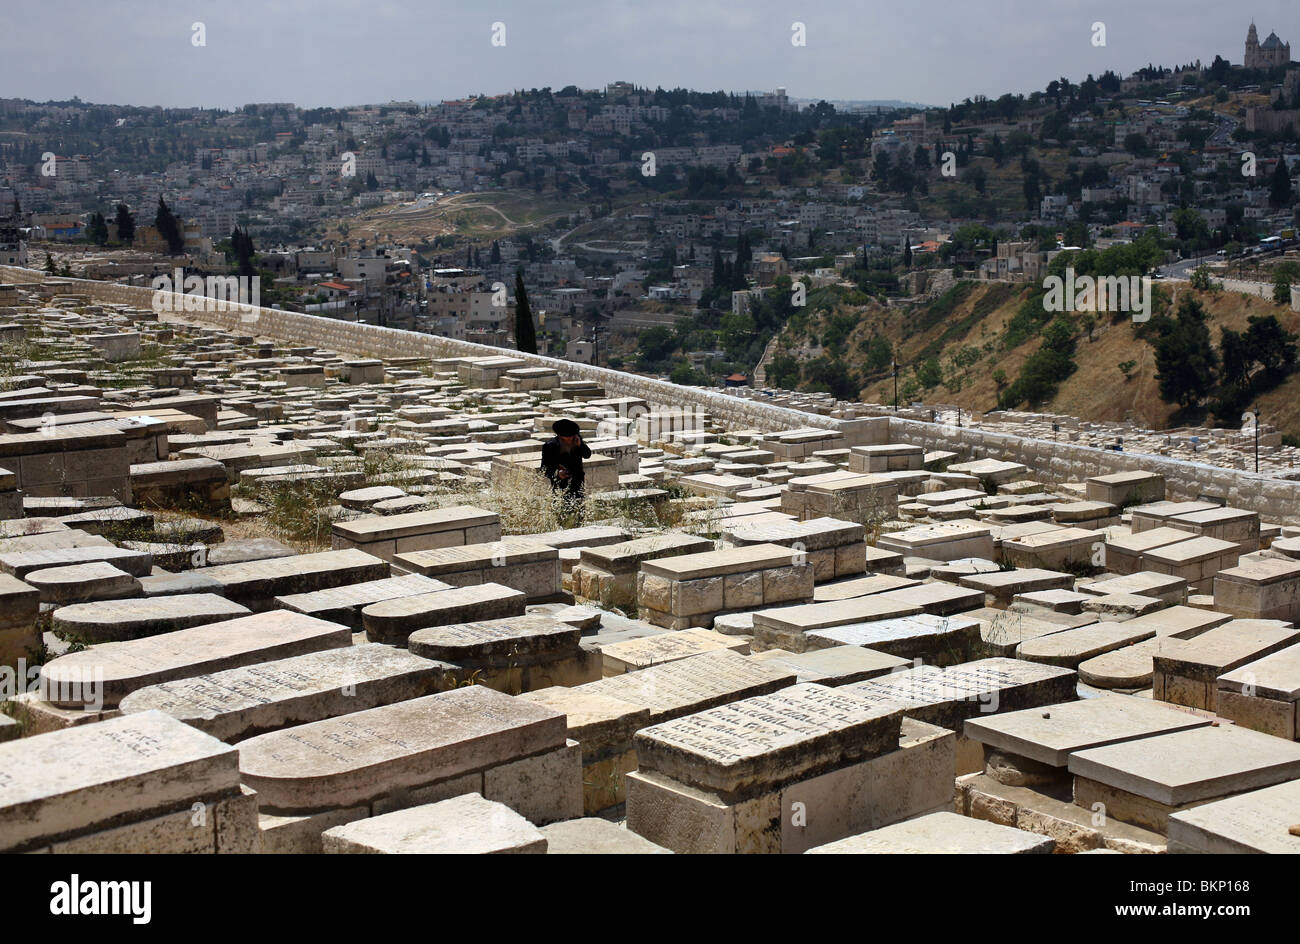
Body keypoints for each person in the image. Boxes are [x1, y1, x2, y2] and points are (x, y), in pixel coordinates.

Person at [540, 418, 591, 499]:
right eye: (566, 439)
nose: (569, 441)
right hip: (560, 486)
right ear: (560, 436)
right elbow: (544, 469)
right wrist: (558, 473)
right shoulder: (550, 446)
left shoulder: (577, 441)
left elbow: (587, 455)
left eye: (571, 437)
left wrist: (581, 445)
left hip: (578, 483)